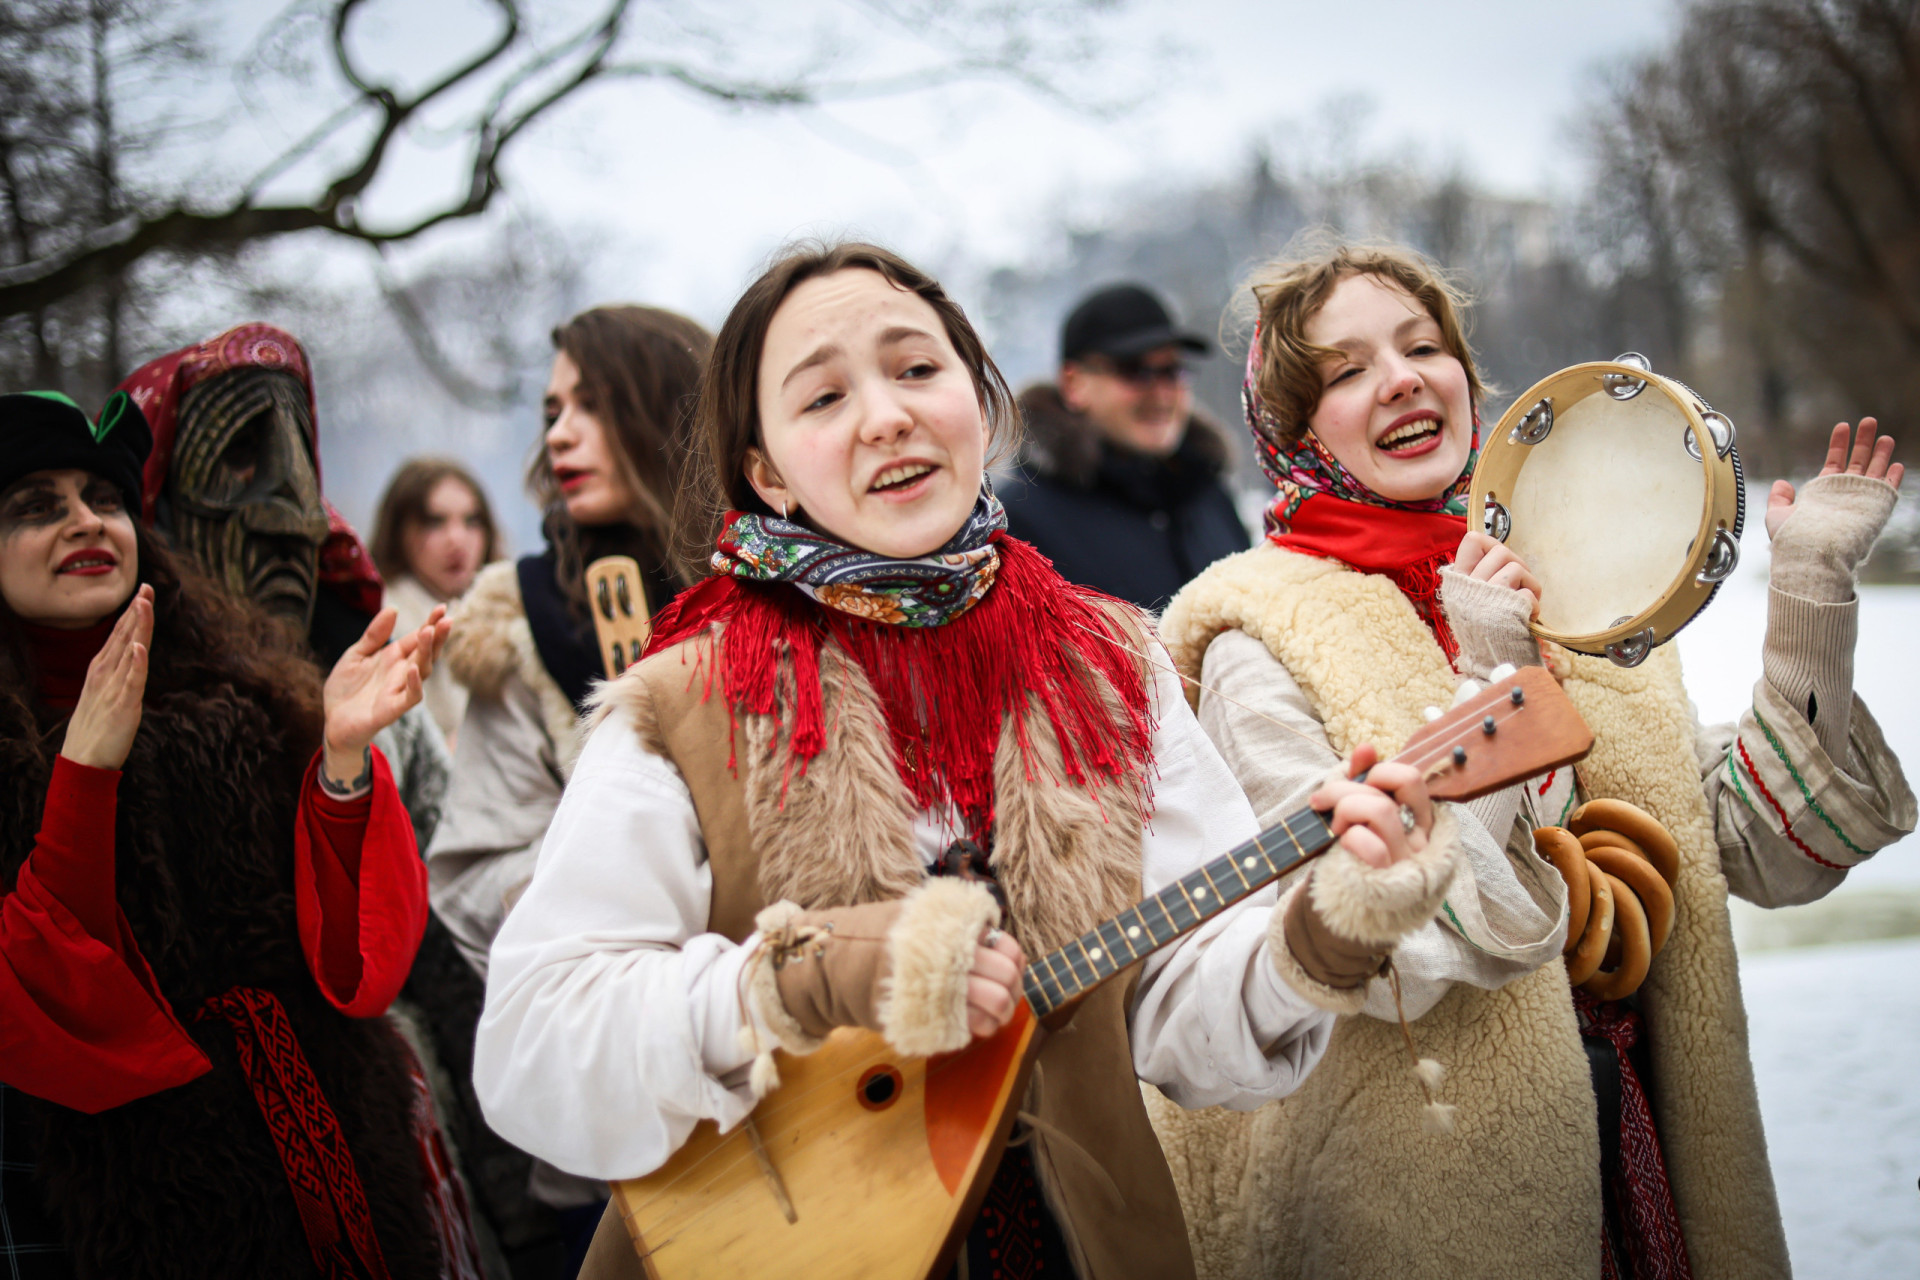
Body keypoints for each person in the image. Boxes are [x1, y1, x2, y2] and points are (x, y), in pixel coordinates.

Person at [471, 242, 1467, 1280]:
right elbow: (532, 1049)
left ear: (979, 403)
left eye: (916, 368)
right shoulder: (684, 701)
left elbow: (1183, 1015)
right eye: (822, 397)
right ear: (765, 470)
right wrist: (800, 978)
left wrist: (1324, 931)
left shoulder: (1109, 663)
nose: (887, 414)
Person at [1146, 242, 1915, 1280]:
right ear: (1291, 431)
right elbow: (1367, 951)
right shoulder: (1260, 638)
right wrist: (1490, 677)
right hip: (1426, 1190)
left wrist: (1812, 594)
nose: (1404, 377)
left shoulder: (1572, 583)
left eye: (1424, 346)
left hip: (1643, 1147)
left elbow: (1761, 846)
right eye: (1347, 370)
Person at [0, 389, 468, 1277]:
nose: (83, 521)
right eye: (35, 507)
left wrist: (339, 758)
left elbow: (344, 949)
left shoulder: (244, 701)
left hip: (339, 1151)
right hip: (121, 1194)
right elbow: (57, 1002)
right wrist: (85, 773)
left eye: (103, 499)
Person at [428, 304, 714, 1274]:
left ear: (673, 411)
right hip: (611, 1131)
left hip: (808, 1084)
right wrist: (599, 887)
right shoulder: (521, 624)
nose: (557, 432)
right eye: (552, 407)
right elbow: (471, 873)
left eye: (590, 403)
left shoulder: (780, 586)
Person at [998, 283, 1248, 610]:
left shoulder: (1206, 490)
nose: (1161, 393)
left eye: (1171, 371)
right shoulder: (1021, 521)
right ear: (1074, 384)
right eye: (1135, 371)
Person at [371, 458, 502, 744]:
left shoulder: (508, 617)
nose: (457, 539)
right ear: (398, 531)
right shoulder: (381, 624)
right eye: (434, 522)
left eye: (471, 521)